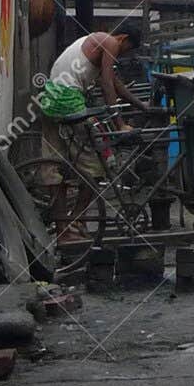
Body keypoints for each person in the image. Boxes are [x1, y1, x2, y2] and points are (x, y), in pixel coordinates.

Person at [39, 22, 148, 240]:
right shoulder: (110, 42)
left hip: (51, 99)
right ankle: (77, 221)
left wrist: (141, 105)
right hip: (68, 102)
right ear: (123, 38)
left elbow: (114, 83)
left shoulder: (95, 41)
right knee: (98, 165)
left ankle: (64, 231)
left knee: (54, 167)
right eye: (127, 49)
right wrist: (120, 124)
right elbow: (106, 84)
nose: (122, 55)